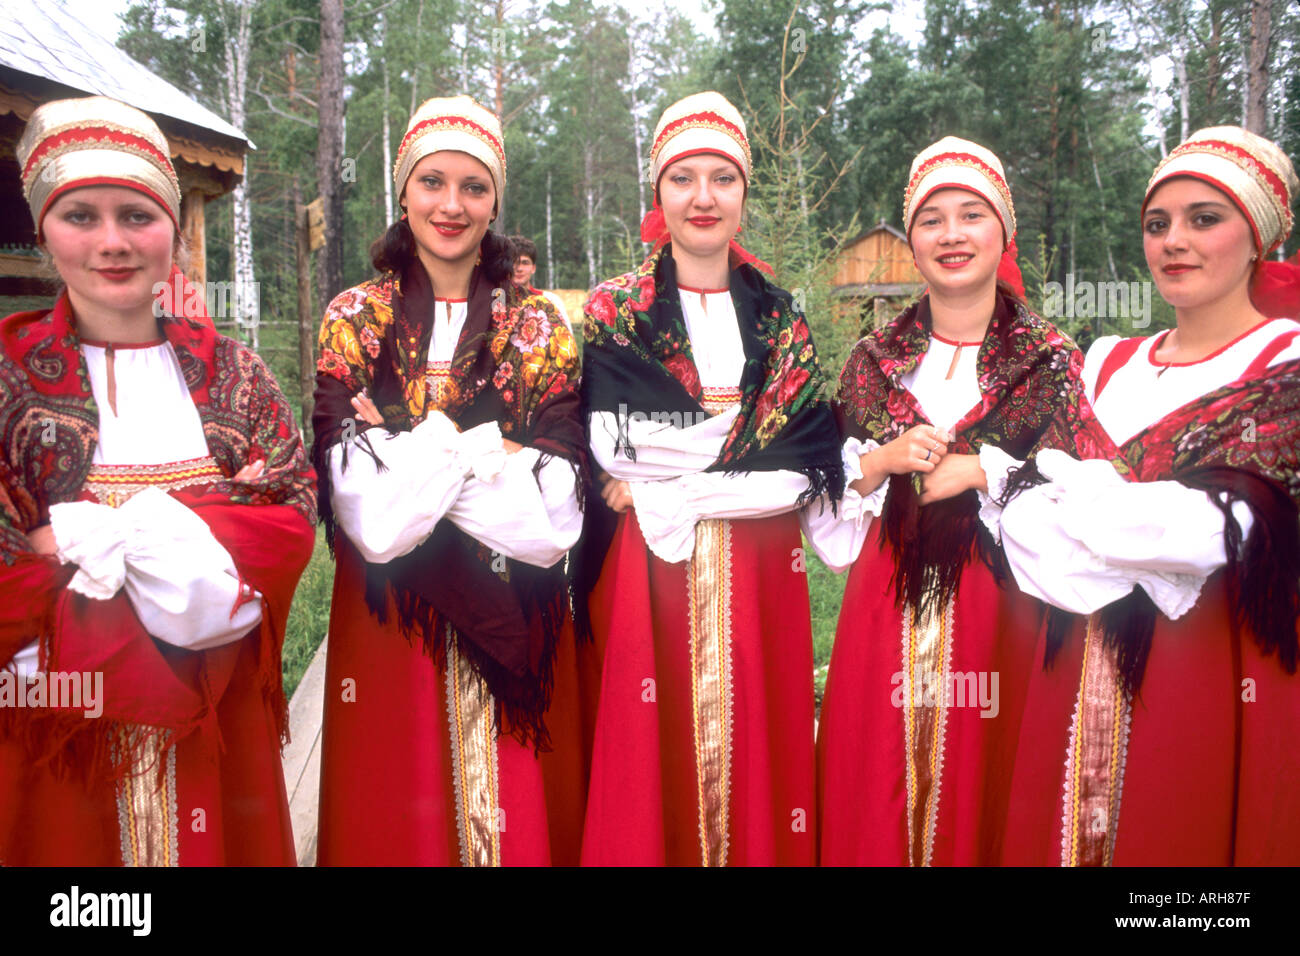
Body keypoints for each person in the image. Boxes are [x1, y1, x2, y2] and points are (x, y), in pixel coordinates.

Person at [0, 96, 316, 866]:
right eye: (81, 215)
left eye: (136, 216)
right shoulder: (8, 377)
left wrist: (78, 543)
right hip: (59, 715)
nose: (112, 242)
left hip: (219, 703)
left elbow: (284, 519)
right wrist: (199, 526)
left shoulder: (237, 375)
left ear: (174, 229)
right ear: (43, 228)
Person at [975, 126, 1300, 865]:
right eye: (1158, 225)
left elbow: (1209, 535)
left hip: (1207, 669)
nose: (1174, 242)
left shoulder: (1284, 363)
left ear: (1258, 238)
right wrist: (1095, 509)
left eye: (1204, 218)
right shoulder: (1108, 362)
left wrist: (1077, 501)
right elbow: (1021, 516)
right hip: (1067, 657)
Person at [312, 95, 587, 866]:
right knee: (399, 814)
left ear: (496, 201)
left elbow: (554, 514)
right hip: (394, 622)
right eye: (433, 181)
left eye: (474, 187)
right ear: (403, 191)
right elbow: (369, 516)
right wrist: (489, 450)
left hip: (516, 602)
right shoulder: (354, 319)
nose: (451, 205)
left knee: (518, 805)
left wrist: (408, 449)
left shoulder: (539, 323)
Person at [574, 91, 844, 866]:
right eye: (683, 177)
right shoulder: (617, 309)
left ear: (743, 194)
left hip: (765, 572)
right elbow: (615, 449)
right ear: (657, 194)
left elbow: (802, 469)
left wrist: (669, 486)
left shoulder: (779, 317)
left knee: (761, 743)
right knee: (646, 750)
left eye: (722, 178)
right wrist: (748, 446)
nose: (703, 197)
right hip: (643, 577)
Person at [806, 137, 1083, 865]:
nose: (951, 235)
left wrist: (985, 471)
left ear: (1004, 231)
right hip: (883, 605)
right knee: (876, 777)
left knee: (987, 778)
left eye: (972, 214)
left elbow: (1085, 493)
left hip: (1006, 610)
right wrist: (880, 461)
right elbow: (827, 496)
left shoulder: (1050, 361)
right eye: (931, 219)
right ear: (913, 242)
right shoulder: (872, 360)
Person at [509, 235, 572, 330]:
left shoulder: (551, 300)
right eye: (514, 262)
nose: (519, 268)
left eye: (525, 263)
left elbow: (567, 339)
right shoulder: (498, 302)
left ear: (533, 268)